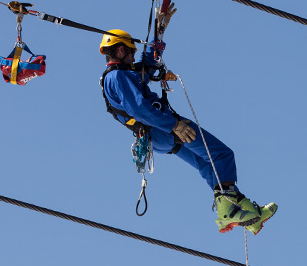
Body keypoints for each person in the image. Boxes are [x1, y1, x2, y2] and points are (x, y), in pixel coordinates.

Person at [99, 29, 277, 234]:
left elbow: (147, 66)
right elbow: (138, 108)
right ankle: (227, 210)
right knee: (221, 154)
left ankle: (247, 213)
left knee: (206, 164)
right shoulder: (118, 77)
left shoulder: (122, 76)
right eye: (131, 52)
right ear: (121, 50)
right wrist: (173, 125)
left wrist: (158, 33)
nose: (133, 57)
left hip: (155, 137)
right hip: (163, 127)